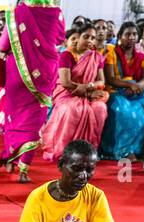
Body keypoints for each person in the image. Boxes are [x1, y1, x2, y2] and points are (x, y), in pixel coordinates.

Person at [0, 0, 63, 181]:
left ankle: (10, 158)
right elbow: (60, 38)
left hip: (18, 72)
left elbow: (3, 45)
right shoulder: (57, 13)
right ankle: (24, 169)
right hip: (45, 74)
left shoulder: (16, 13)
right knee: (34, 121)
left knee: (13, 118)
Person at [37, 24, 108, 167]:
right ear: (78, 38)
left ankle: (89, 151)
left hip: (89, 94)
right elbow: (65, 82)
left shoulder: (97, 57)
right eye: (86, 36)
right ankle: (67, 151)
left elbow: (102, 81)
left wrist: (89, 87)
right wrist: (84, 90)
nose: (89, 40)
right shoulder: (67, 55)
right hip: (68, 94)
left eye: (92, 38)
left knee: (100, 109)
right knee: (72, 110)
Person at [101, 21, 144, 161]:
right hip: (115, 91)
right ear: (119, 36)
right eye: (127, 34)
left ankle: (142, 150)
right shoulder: (112, 54)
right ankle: (123, 150)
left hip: (137, 92)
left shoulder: (142, 57)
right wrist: (129, 85)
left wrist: (137, 87)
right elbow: (110, 78)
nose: (131, 37)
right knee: (127, 114)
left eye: (134, 34)